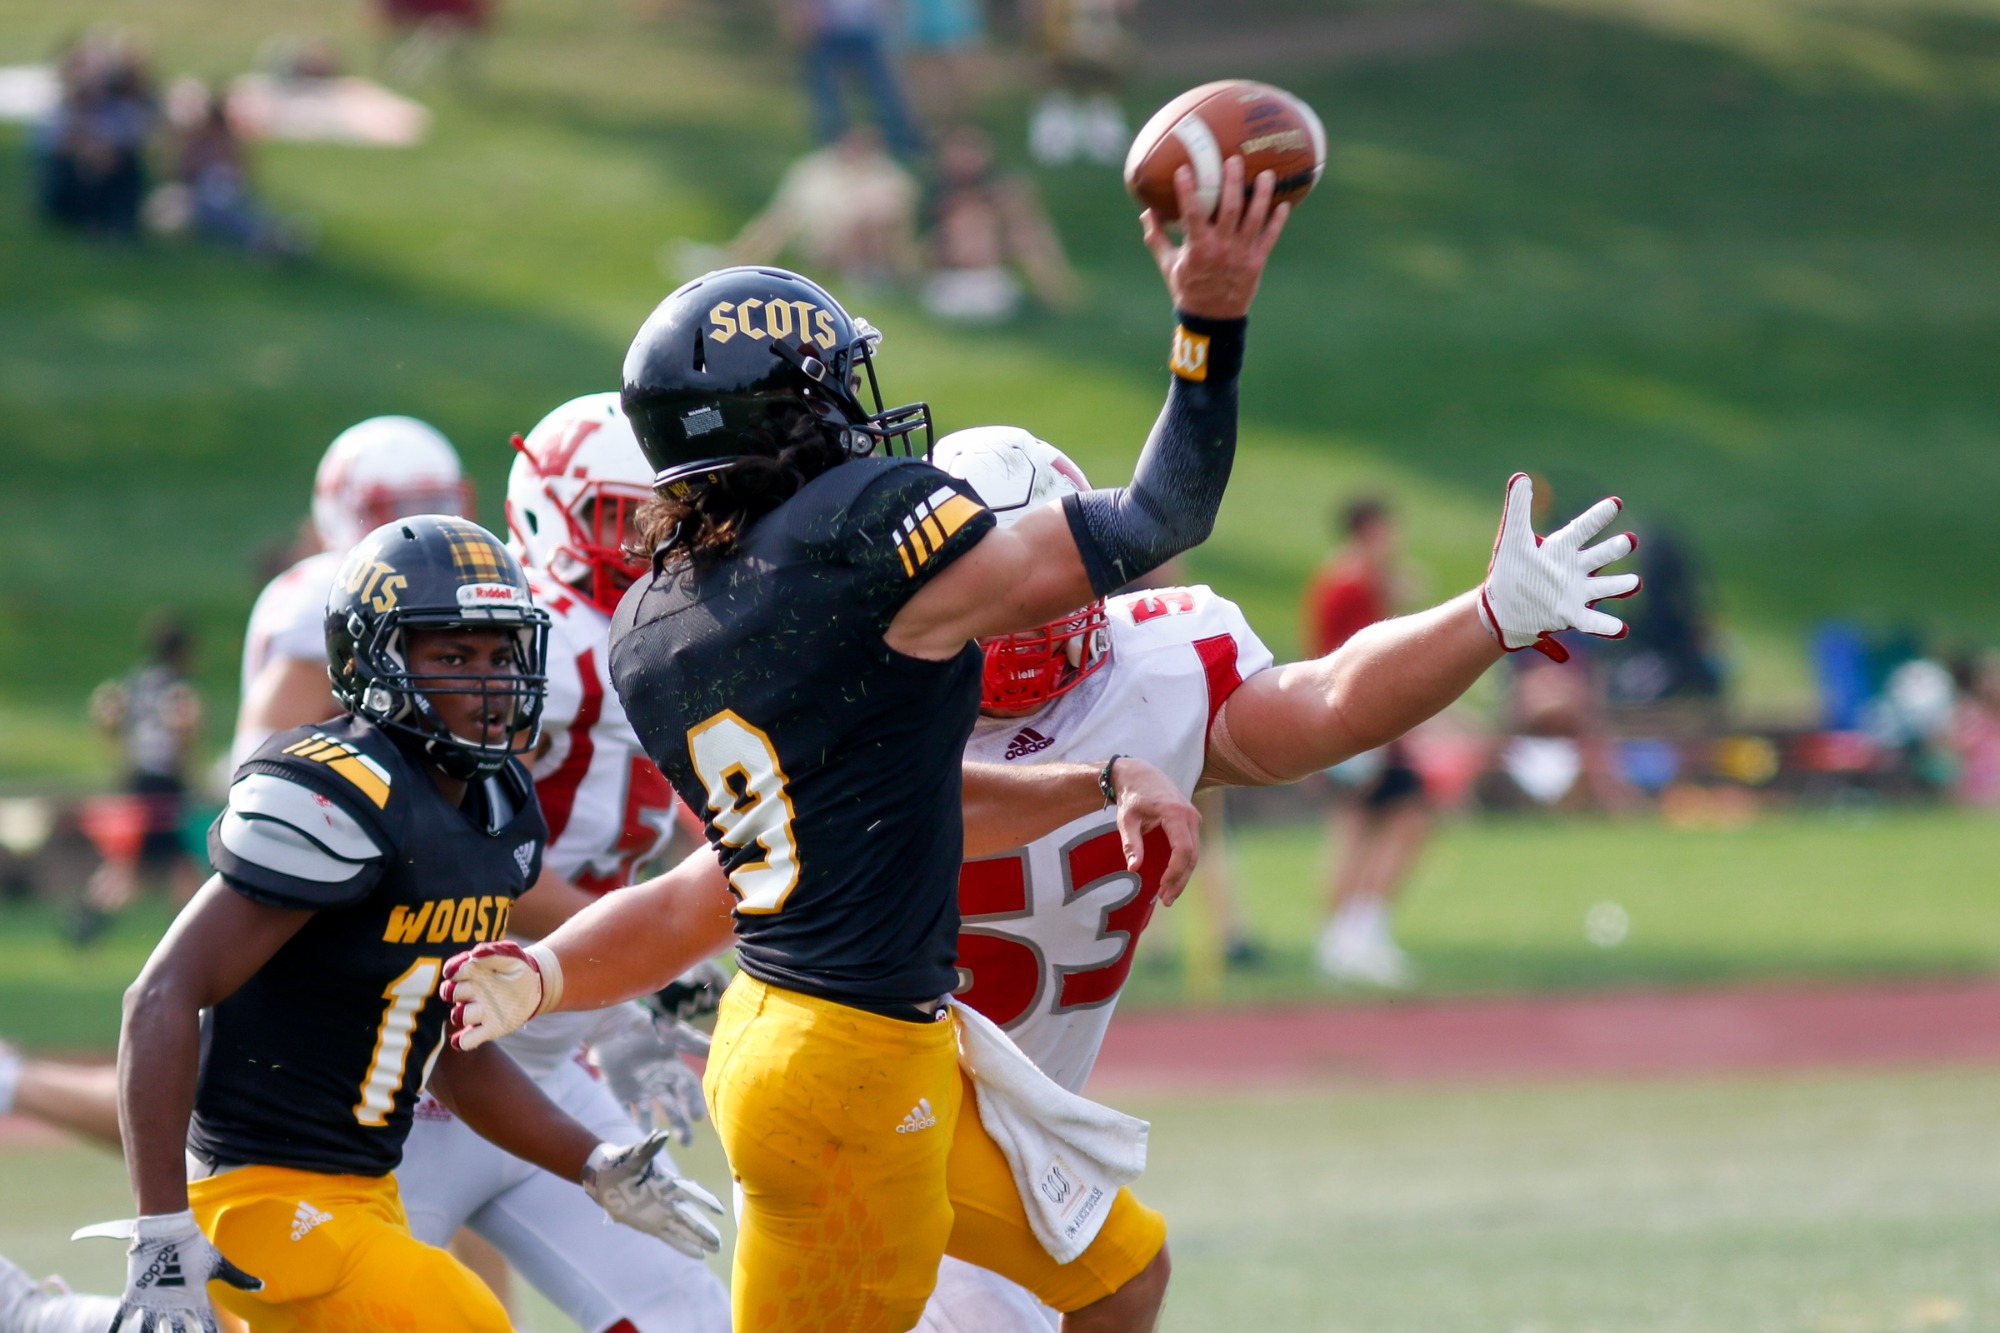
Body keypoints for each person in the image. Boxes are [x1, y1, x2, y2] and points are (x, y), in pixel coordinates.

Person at [443, 161, 1296, 1332]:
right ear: (791, 411)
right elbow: (1162, 517)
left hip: (814, 1035)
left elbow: (838, 820)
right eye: (836, 383)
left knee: (1116, 1275)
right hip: (849, 1067)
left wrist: (1097, 782)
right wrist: (1209, 320)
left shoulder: (651, 623)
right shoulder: (860, 536)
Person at [81, 515, 725, 1333]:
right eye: (453, 657)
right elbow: (161, 994)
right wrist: (162, 1234)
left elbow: (443, 1040)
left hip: (368, 1193)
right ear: (375, 662)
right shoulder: (340, 792)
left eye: (499, 655)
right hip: (260, 1198)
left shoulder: (496, 807)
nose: (488, 683)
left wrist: (591, 1162)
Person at [235, 415, 471, 768]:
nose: (423, 524)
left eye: (440, 504)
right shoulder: (325, 595)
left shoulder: (464, 589)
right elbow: (261, 761)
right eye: (402, 510)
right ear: (345, 509)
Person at [74, 617, 205, 943]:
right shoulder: (177, 689)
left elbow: (107, 718)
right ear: (183, 651)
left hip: (137, 780)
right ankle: (193, 935)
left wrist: (120, 761)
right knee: (172, 866)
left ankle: (87, 920)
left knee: (145, 864)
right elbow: (185, 730)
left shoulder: (135, 684)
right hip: (163, 783)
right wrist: (188, 772)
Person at [718, 128, 922, 291]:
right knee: (781, 221)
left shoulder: (889, 179)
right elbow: (787, 209)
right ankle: (737, 258)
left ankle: (865, 275)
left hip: (854, 246)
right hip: (816, 238)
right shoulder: (819, 170)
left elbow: (893, 224)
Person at [922, 125, 1079, 323]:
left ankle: (1056, 290)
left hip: (993, 247)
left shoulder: (995, 182)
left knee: (1024, 231)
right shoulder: (937, 186)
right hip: (946, 251)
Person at [785, 0, 923, 158]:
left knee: (884, 86)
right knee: (827, 88)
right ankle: (832, 138)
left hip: (865, 26)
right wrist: (803, 15)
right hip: (827, 27)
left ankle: (900, 136)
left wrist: (887, 16)